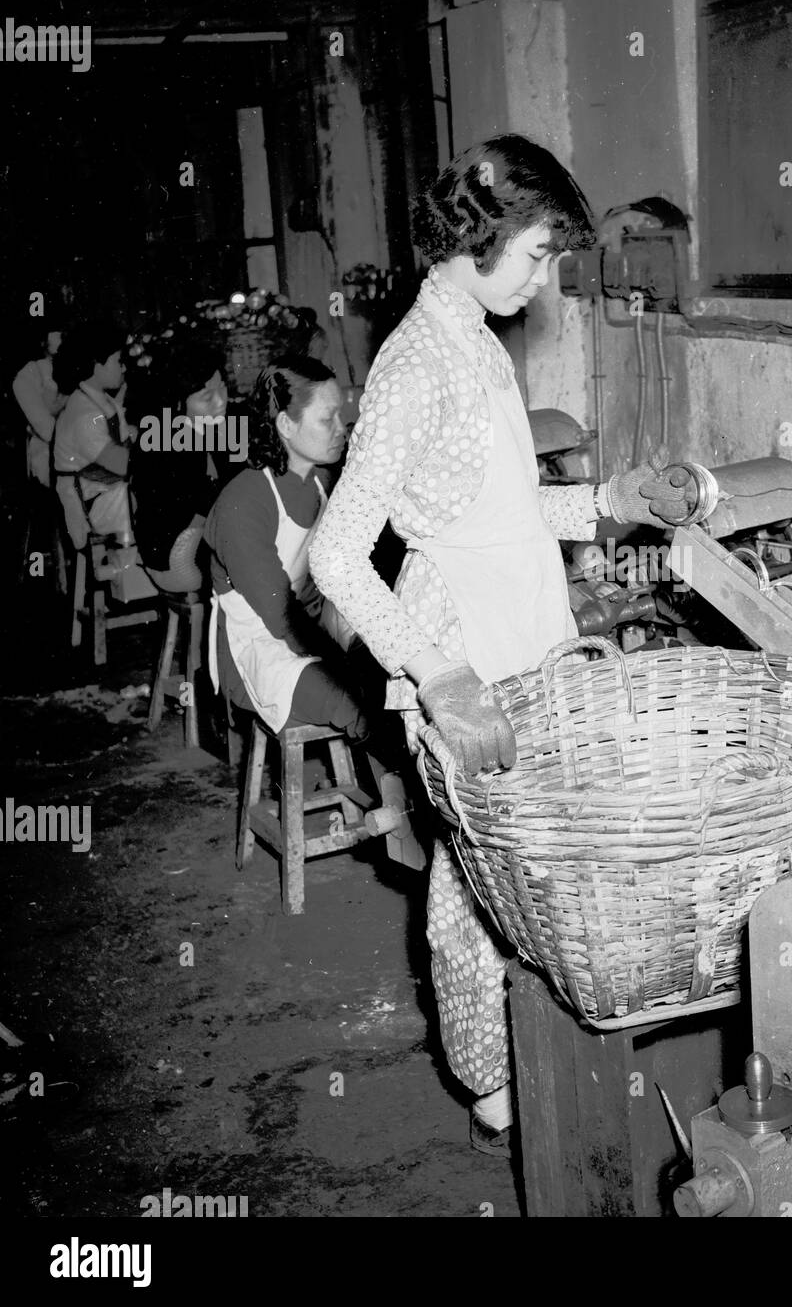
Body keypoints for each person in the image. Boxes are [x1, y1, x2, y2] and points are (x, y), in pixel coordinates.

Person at [309, 133, 692, 1154]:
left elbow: (506, 510)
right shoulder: (416, 365)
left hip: (521, 630)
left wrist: (612, 498)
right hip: (465, 652)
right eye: (534, 253)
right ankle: (492, 1085)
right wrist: (440, 676)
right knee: (477, 881)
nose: (543, 276)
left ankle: (542, 1062)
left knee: (526, 869)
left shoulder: (475, 337)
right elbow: (335, 554)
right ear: (475, 236)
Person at [203, 356, 368, 741]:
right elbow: (280, 615)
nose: (342, 429)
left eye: (341, 415)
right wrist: (346, 662)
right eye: (327, 419)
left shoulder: (322, 481)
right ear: (286, 425)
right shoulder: (243, 502)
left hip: (309, 629)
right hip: (260, 650)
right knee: (356, 702)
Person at [129, 340, 235, 595]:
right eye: (207, 396)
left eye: (222, 387)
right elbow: (196, 507)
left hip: (196, 541)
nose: (220, 401)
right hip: (176, 554)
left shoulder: (209, 428)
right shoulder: (166, 441)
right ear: (179, 401)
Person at [52, 322, 134, 547]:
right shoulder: (84, 414)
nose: (124, 368)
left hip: (104, 492)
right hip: (89, 506)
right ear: (97, 366)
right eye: (118, 361)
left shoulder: (104, 401)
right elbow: (122, 464)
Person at [13, 320, 67, 487]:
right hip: (46, 455)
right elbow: (45, 427)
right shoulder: (27, 375)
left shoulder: (75, 369)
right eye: (56, 331)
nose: (63, 336)